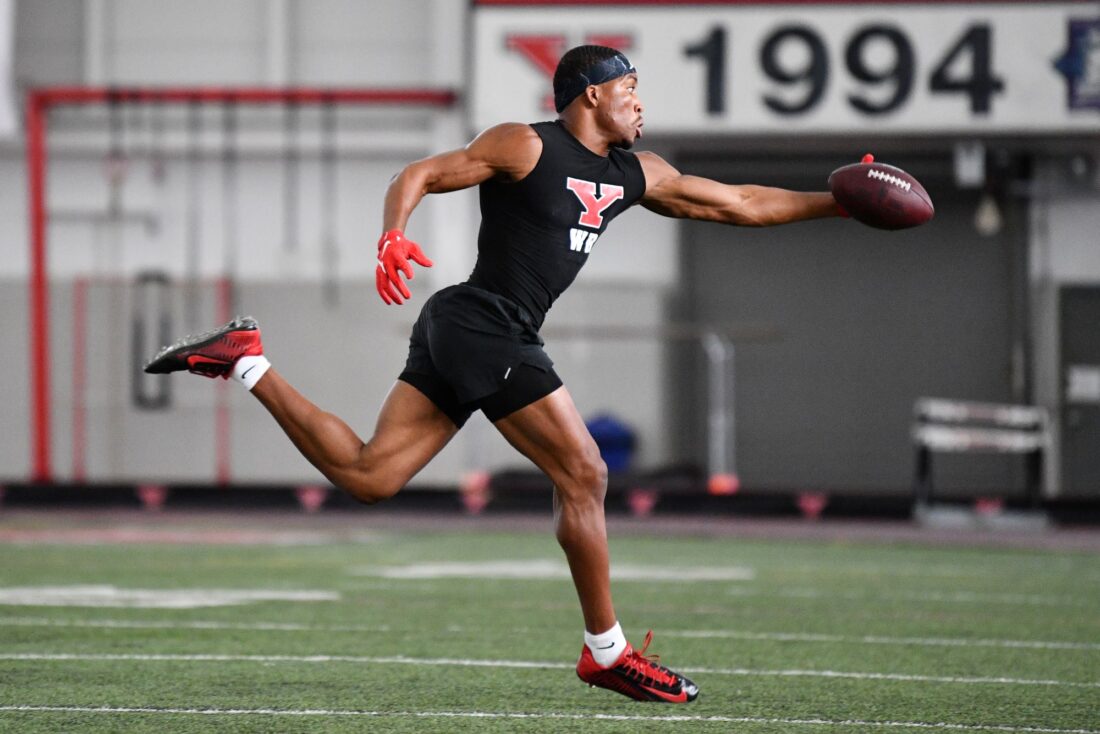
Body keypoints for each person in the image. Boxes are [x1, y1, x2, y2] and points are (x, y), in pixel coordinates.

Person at [146, 45, 846, 703]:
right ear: (593, 94)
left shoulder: (637, 173)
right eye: (630, 92)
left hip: (476, 330)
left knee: (370, 477)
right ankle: (606, 650)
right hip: (484, 322)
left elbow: (745, 203)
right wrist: (393, 232)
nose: (640, 106)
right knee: (585, 473)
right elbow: (415, 174)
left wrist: (838, 204)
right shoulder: (528, 143)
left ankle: (246, 359)